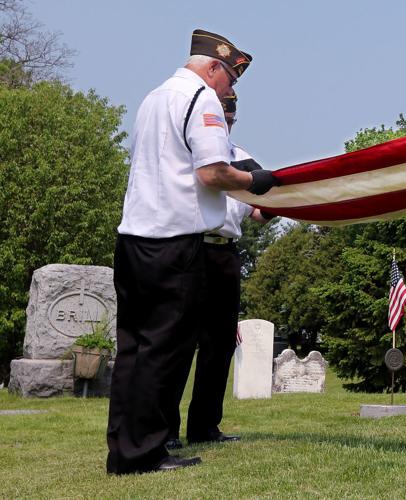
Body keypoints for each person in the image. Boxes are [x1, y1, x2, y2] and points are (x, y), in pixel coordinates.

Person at [108, 29, 278, 475]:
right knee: (164, 351)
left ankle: (125, 449)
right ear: (214, 67)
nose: (229, 89)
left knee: (134, 350)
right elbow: (212, 174)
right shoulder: (201, 98)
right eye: (230, 79)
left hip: (135, 238)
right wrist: (255, 182)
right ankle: (146, 452)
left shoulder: (154, 98)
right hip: (174, 242)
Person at [165, 93, 273, 450]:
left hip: (225, 252)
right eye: (220, 116)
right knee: (179, 341)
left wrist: (286, 201)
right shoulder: (187, 153)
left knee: (220, 343)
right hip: (189, 247)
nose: (224, 123)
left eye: (229, 118)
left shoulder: (243, 159)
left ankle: (205, 426)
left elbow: (258, 211)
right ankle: (165, 430)